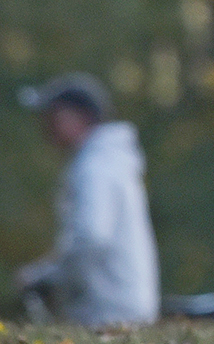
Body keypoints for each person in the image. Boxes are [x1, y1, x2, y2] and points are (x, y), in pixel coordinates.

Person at [14, 73, 160, 327]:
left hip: (108, 313)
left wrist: (45, 277)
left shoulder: (96, 167)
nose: (45, 125)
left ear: (79, 117)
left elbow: (92, 238)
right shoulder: (105, 160)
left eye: (53, 116)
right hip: (117, 307)